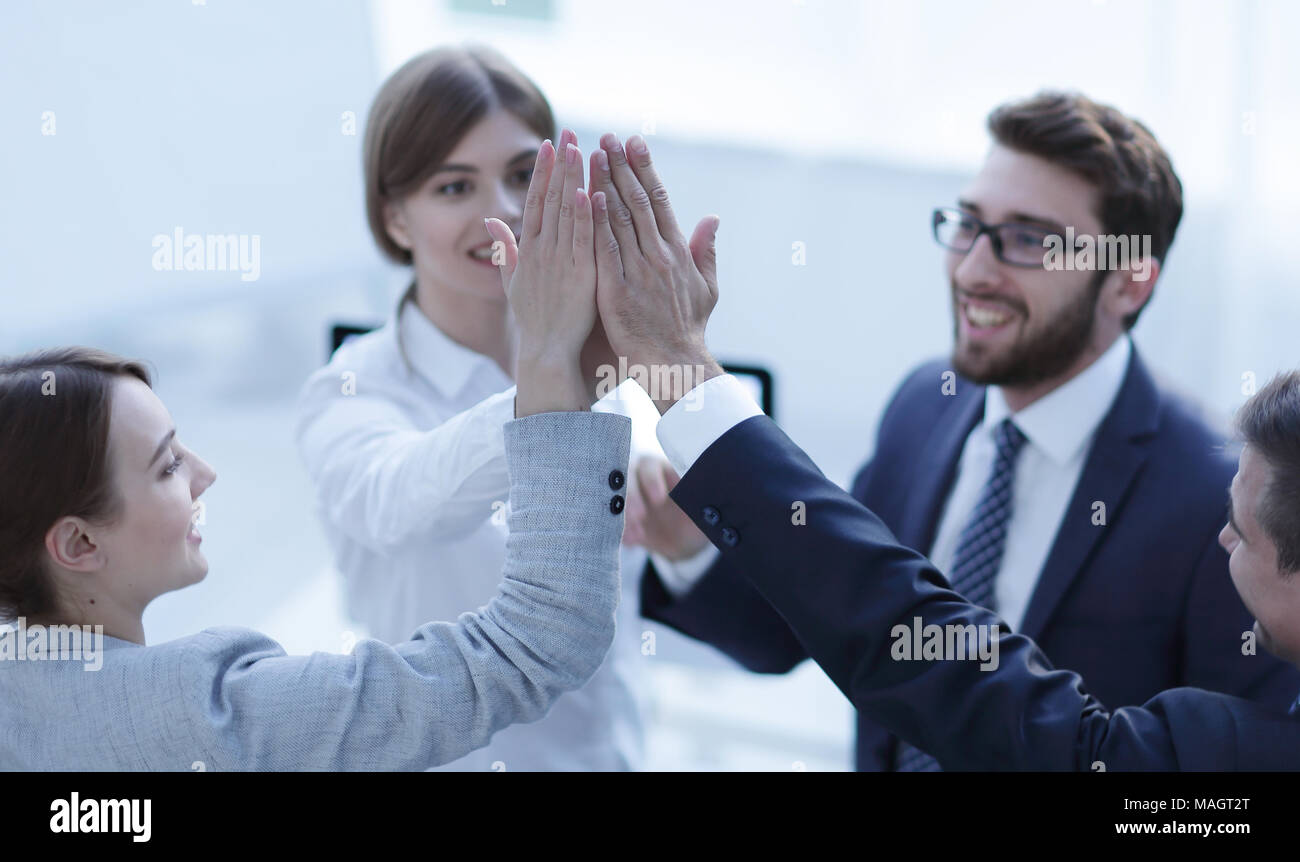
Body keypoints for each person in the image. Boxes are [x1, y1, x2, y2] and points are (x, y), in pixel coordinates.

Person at [577, 137, 1300, 769]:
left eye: (1029, 240)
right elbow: (836, 617)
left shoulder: (1227, 491)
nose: (974, 269)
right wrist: (694, 549)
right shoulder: (927, 405)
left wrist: (687, 380)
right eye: (967, 225)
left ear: (1127, 280)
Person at [0, 137, 630, 770]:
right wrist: (554, 366)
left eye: (521, 176)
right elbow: (535, 643)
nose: (205, 474)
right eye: (167, 465)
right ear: (78, 542)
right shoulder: (207, 712)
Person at [295, 46, 679, 771]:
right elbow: (397, 503)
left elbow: (633, 607)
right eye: (454, 187)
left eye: (524, 175)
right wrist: (555, 385)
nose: (500, 210)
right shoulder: (351, 391)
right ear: (395, 218)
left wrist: (682, 544)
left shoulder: (600, 365)